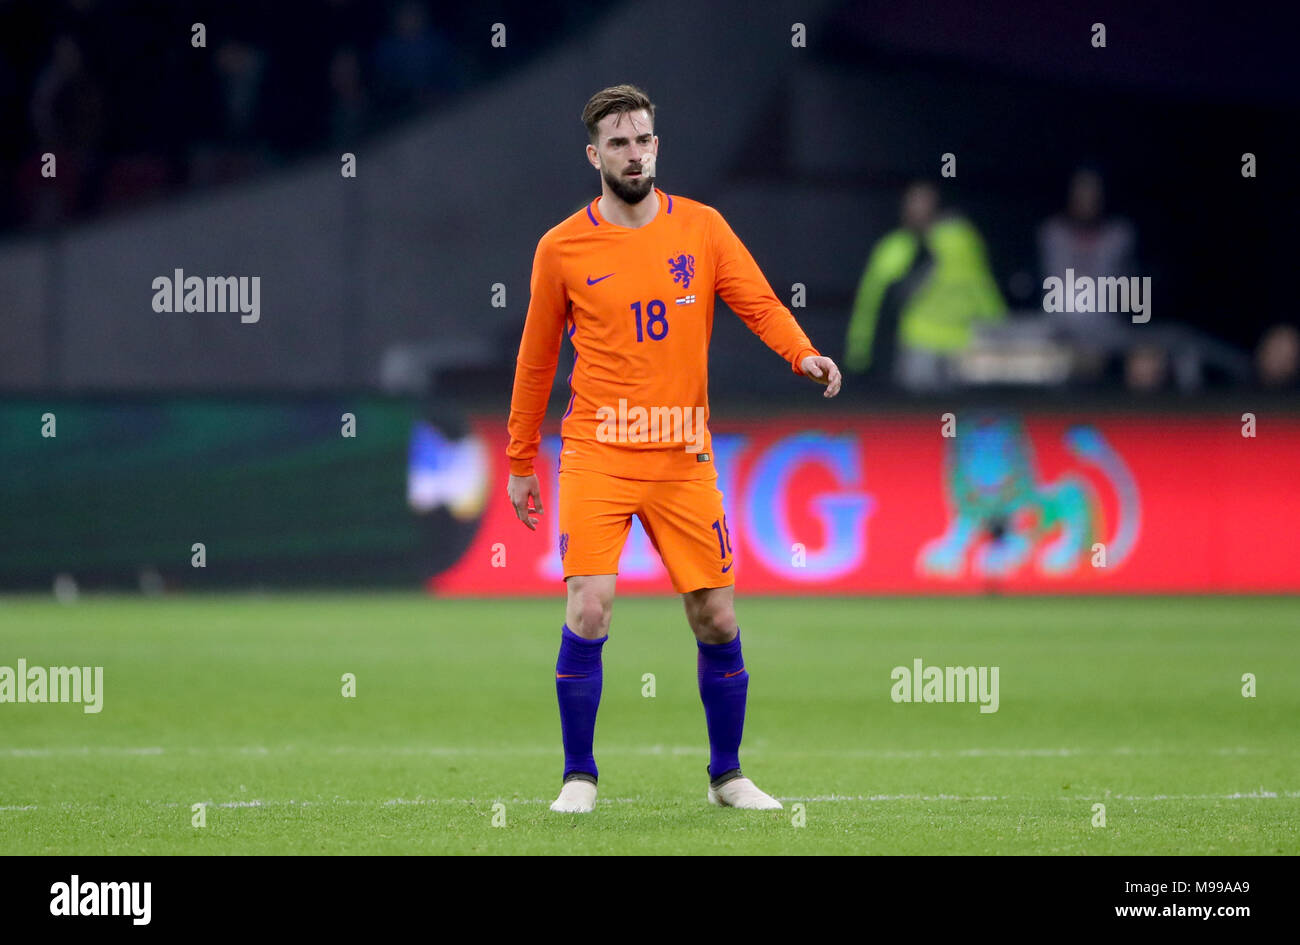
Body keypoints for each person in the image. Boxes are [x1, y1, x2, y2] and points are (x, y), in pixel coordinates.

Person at [505, 84, 841, 814]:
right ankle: (578, 776)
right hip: (598, 448)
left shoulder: (704, 228)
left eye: (645, 139)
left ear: (658, 144)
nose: (635, 153)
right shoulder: (561, 247)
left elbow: (757, 300)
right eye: (620, 143)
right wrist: (521, 461)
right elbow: (535, 361)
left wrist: (802, 353)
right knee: (590, 606)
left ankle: (728, 775)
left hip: (682, 453)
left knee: (715, 616)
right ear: (595, 155)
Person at [843, 182, 1006, 390]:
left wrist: (999, 331)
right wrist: (859, 351)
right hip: (920, 343)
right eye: (913, 203)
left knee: (963, 414)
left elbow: (981, 284)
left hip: (963, 342)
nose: (918, 209)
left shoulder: (961, 240)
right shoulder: (897, 247)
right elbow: (870, 303)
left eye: (924, 203)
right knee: (920, 412)